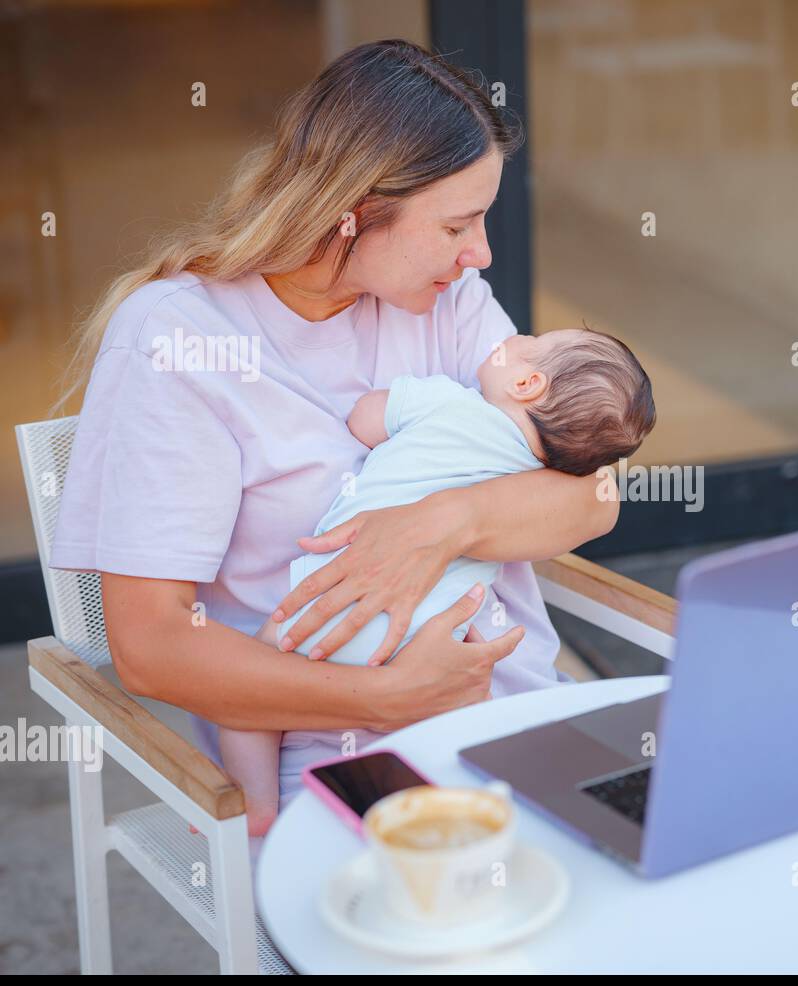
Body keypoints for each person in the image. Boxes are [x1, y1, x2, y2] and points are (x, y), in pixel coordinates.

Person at [49, 40, 622, 814]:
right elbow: (152, 647)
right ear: (354, 210)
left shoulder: (449, 302)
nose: (480, 254)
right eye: (457, 225)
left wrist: (442, 523)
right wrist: (384, 696)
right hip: (337, 755)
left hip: (520, 722)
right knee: (451, 885)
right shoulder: (180, 342)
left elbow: (595, 496)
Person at [222, 328, 656, 834]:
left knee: (250, 692)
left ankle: (256, 803)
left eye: (531, 341)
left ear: (527, 383)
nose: (515, 335)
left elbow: (365, 419)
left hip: (326, 610)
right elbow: (596, 494)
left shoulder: (448, 402)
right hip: (429, 644)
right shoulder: (538, 474)